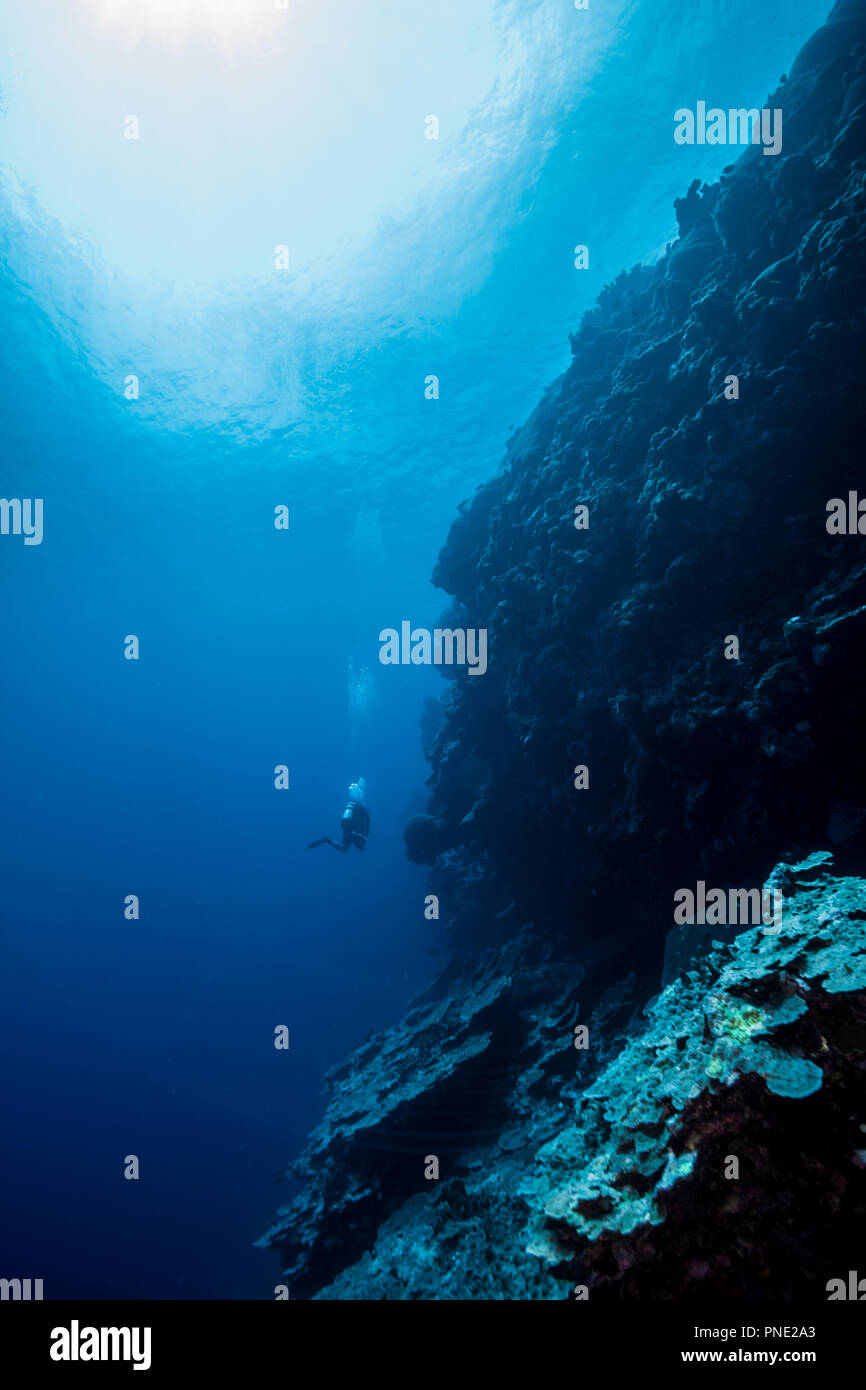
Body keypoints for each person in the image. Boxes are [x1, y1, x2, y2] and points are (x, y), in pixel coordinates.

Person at [308, 778, 370, 853]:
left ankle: (326, 840)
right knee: (344, 848)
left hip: (348, 826)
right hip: (350, 827)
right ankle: (326, 840)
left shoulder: (358, 807)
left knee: (343, 848)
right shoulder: (363, 809)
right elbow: (364, 824)